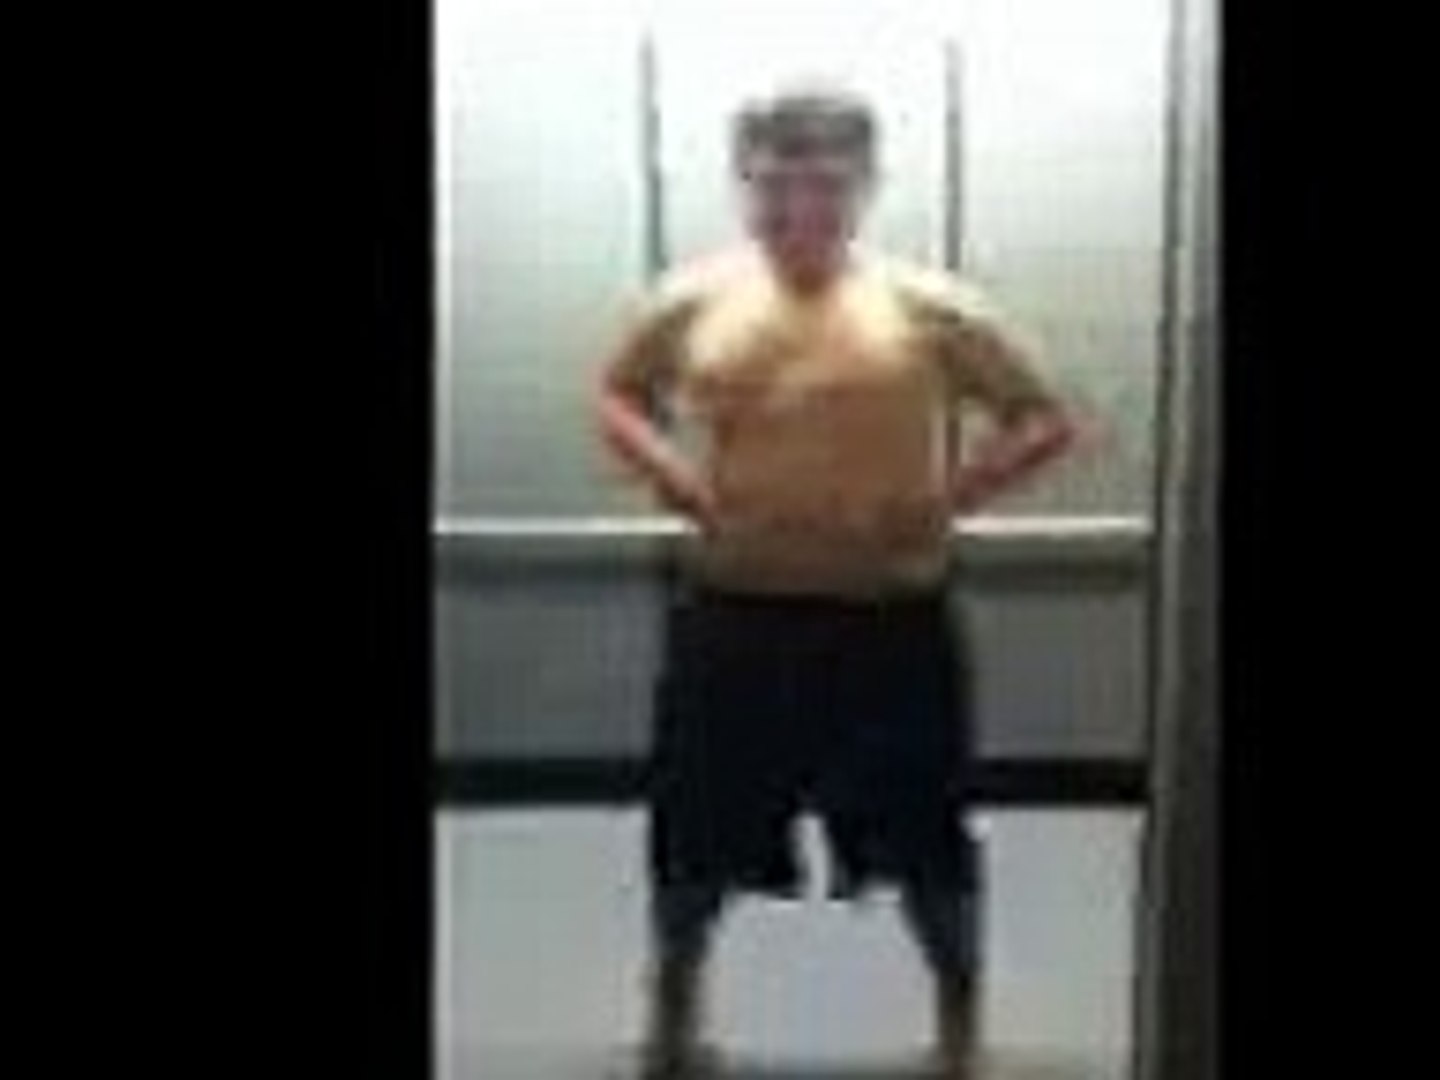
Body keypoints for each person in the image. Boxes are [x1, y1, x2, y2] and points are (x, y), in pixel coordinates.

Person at [592, 83, 1077, 1079]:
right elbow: (615, 392)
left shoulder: (928, 307)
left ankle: (959, 1022)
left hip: (889, 613)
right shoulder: (693, 301)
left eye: (822, 183)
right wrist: (677, 480)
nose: (798, 205)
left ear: (862, 187)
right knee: (695, 832)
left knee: (929, 836)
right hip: (736, 609)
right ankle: (674, 1008)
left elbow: (1041, 417)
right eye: (774, 184)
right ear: (745, 183)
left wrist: (948, 498)